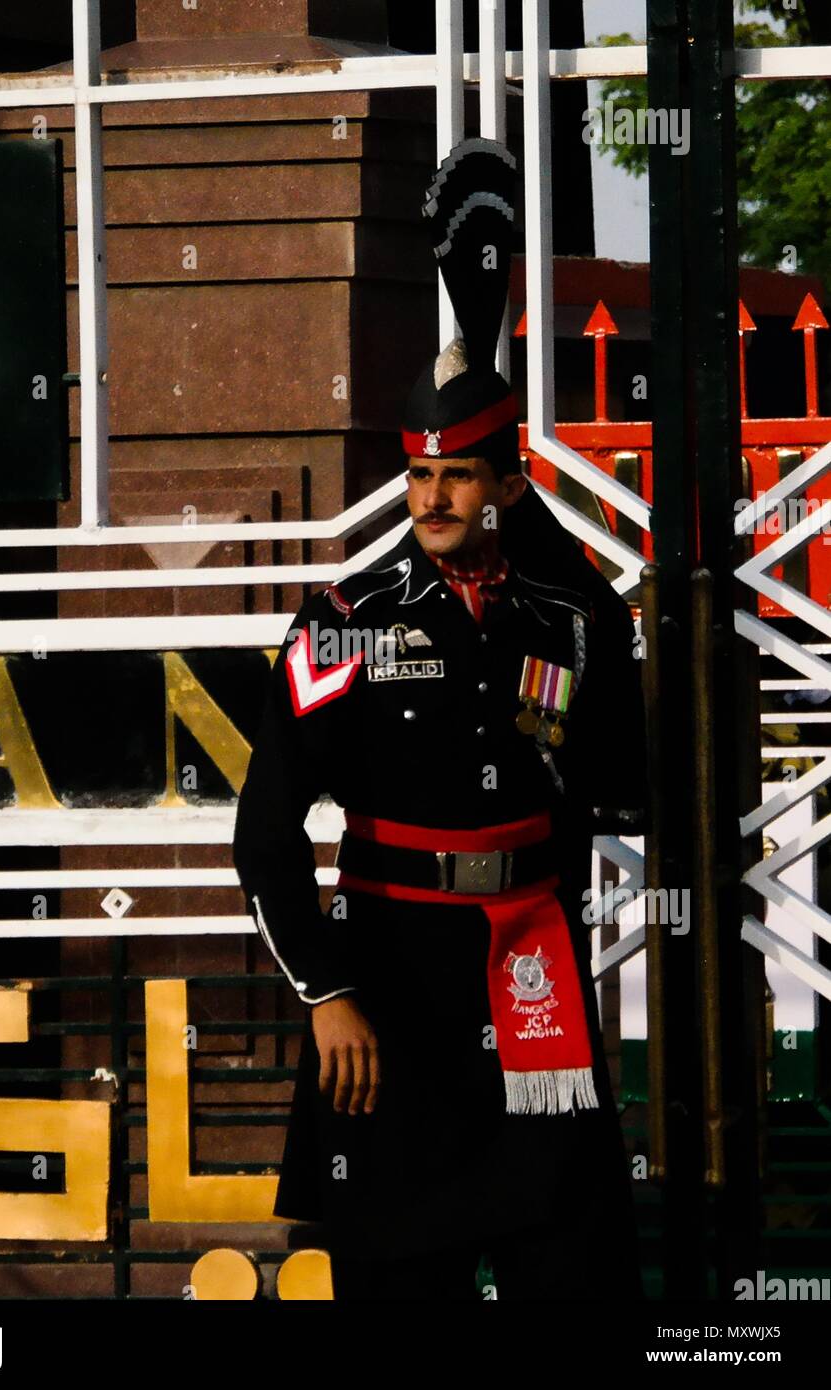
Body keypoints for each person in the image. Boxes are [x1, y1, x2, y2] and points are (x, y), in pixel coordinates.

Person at [233, 138, 648, 1302]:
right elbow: (262, 838)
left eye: (459, 476)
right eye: (417, 476)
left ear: (505, 483)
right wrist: (325, 993)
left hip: (530, 965)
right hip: (386, 994)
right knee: (395, 1290)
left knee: (574, 1281)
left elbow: (621, 775)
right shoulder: (342, 624)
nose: (428, 500)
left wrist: (549, 554)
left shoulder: (568, 617)